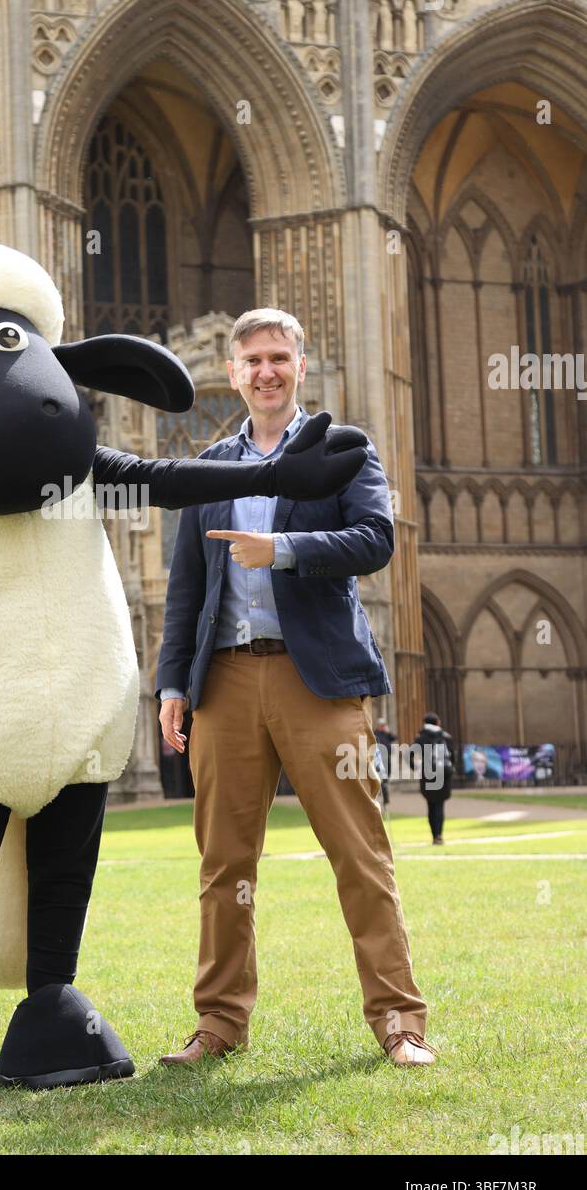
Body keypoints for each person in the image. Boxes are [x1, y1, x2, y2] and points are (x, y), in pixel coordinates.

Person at [156, 308, 437, 1068]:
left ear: (300, 366)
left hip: (317, 681)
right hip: (223, 681)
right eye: (250, 361)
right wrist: (170, 684)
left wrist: (280, 549)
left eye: (278, 357)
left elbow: (374, 539)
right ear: (232, 371)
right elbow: (187, 586)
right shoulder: (209, 464)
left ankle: (398, 1022)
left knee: (359, 855)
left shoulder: (343, 449)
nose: (265, 371)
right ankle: (217, 1024)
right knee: (223, 867)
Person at [415, 712, 455, 845]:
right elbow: (453, 757)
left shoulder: (421, 738)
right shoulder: (446, 737)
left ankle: (434, 836)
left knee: (431, 806)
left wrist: (416, 768)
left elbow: (411, 755)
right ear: (437, 722)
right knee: (440, 806)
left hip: (427, 775)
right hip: (443, 774)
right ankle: (439, 835)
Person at [374, 717, 398, 810]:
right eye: (381, 725)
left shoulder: (386, 733)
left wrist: (388, 732)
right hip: (377, 758)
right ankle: (382, 794)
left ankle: (385, 797)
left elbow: (394, 737)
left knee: (386, 778)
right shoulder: (375, 733)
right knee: (381, 778)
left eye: (383, 725)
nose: (382, 727)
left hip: (386, 757)